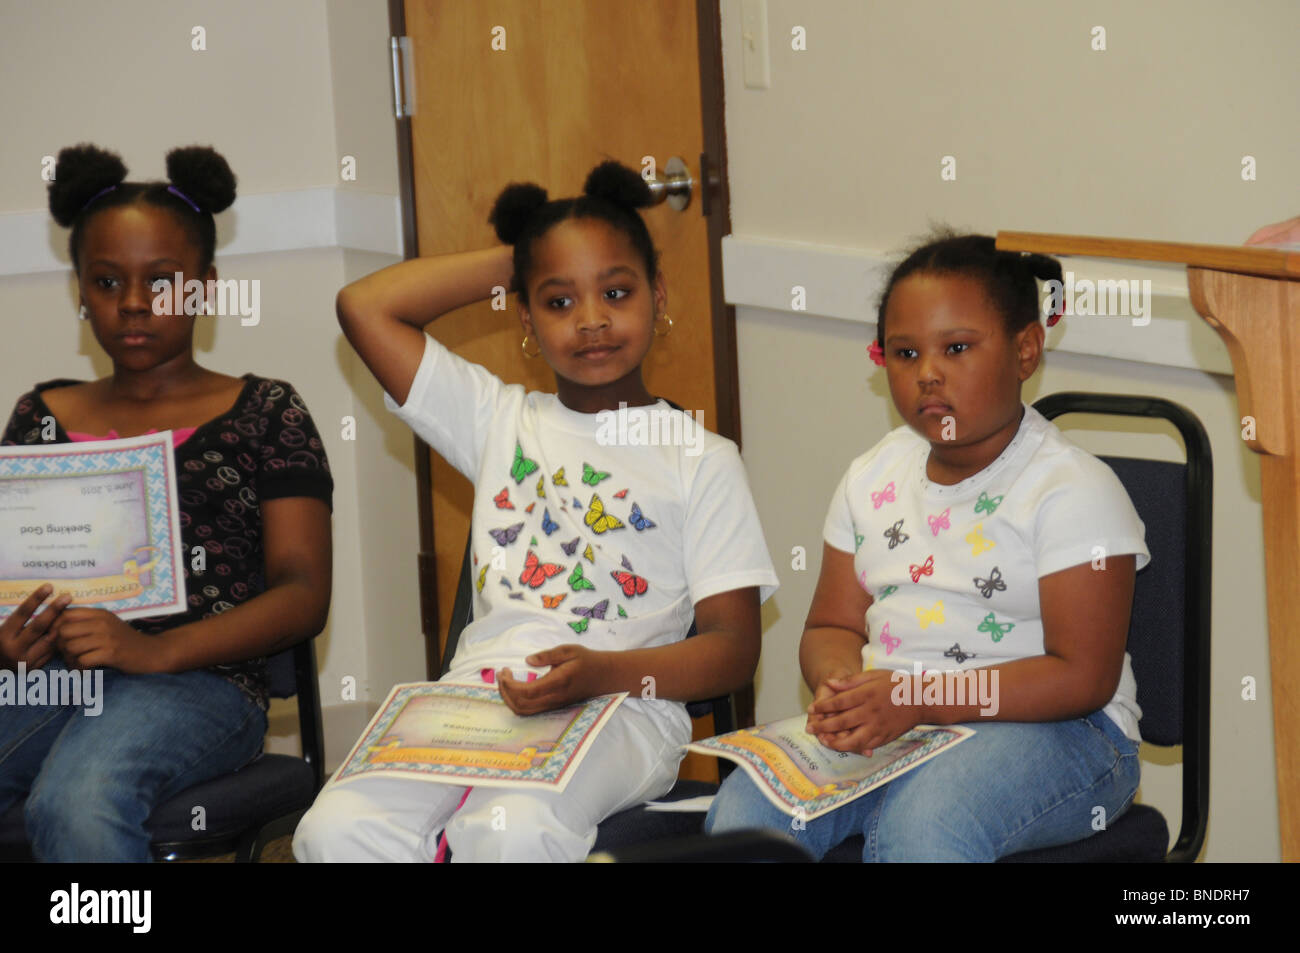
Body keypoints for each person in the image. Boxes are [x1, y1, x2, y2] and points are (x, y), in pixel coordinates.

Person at [293, 161, 778, 862]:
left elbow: (732, 650)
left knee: (506, 829)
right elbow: (365, 305)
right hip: (476, 699)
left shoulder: (702, 458)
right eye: (557, 301)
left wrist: (601, 673)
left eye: (615, 291)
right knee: (334, 829)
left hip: (623, 705)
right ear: (524, 315)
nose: (591, 320)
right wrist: (524, 253)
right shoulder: (500, 420)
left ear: (658, 295)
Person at [706, 232, 1149, 861]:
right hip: (905, 717)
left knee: (925, 827)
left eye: (958, 348)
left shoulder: (1072, 490)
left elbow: (1083, 677)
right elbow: (832, 623)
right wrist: (842, 687)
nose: (928, 373)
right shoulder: (872, 475)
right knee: (744, 819)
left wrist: (917, 700)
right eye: (904, 353)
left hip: (1063, 732)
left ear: (1026, 349)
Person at [0, 144, 333, 862]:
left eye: (163, 280)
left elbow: (304, 594)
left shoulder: (267, 410)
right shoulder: (39, 415)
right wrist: (10, 640)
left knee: (77, 800)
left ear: (205, 287)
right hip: (56, 675)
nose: (134, 302)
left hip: (202, 682)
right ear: (80, 293)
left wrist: (154, 650)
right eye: (108, 280)